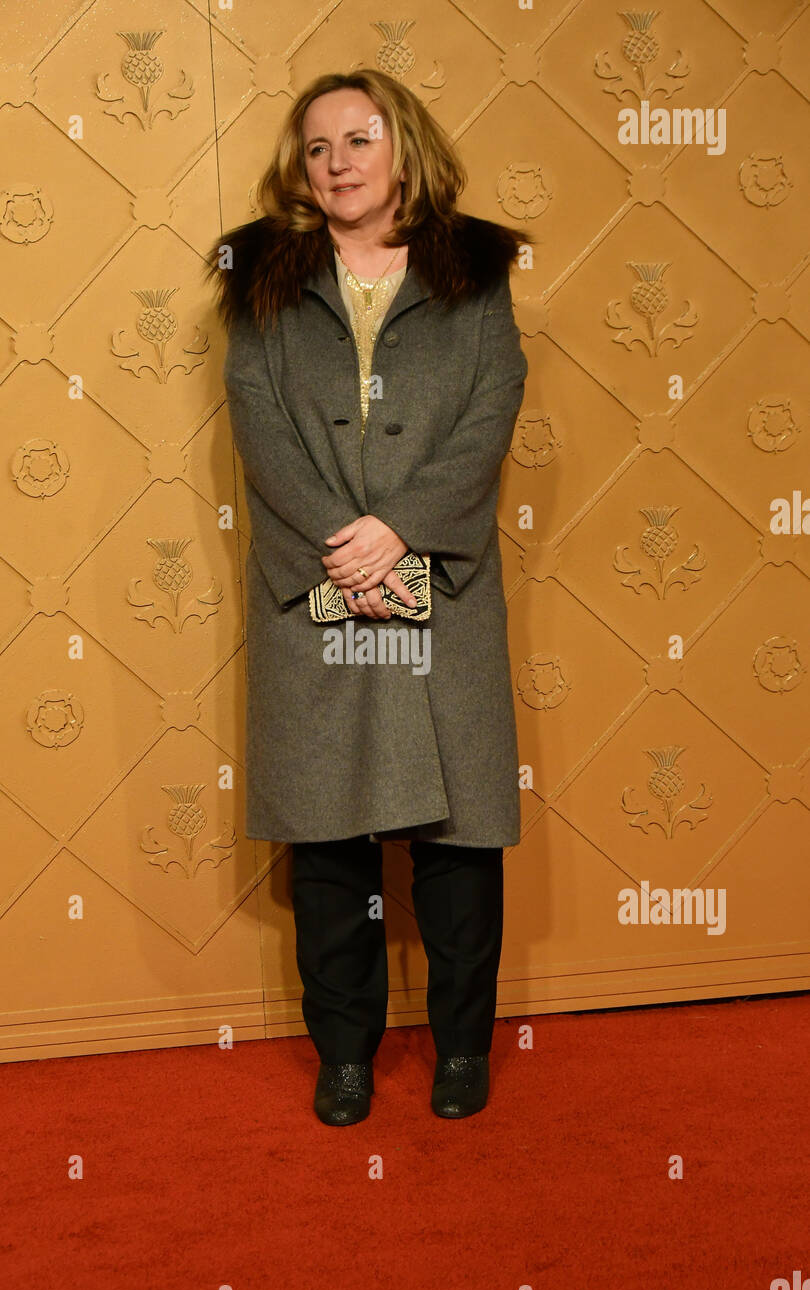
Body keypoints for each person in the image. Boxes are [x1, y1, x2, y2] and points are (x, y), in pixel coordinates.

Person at [204, 68, 530, 1126]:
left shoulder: (473, 269)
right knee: (329, 840)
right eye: (317, 148)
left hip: (440, 578)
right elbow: (254, 420)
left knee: (456, 841)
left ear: (403, 151)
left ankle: (460, 1054)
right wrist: (343, 549)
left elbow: (492, 408)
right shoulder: (258, 272)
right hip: (313, 584)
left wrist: (402, 533)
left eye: (358, 140)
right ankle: (342, 1055)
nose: (337, 163)